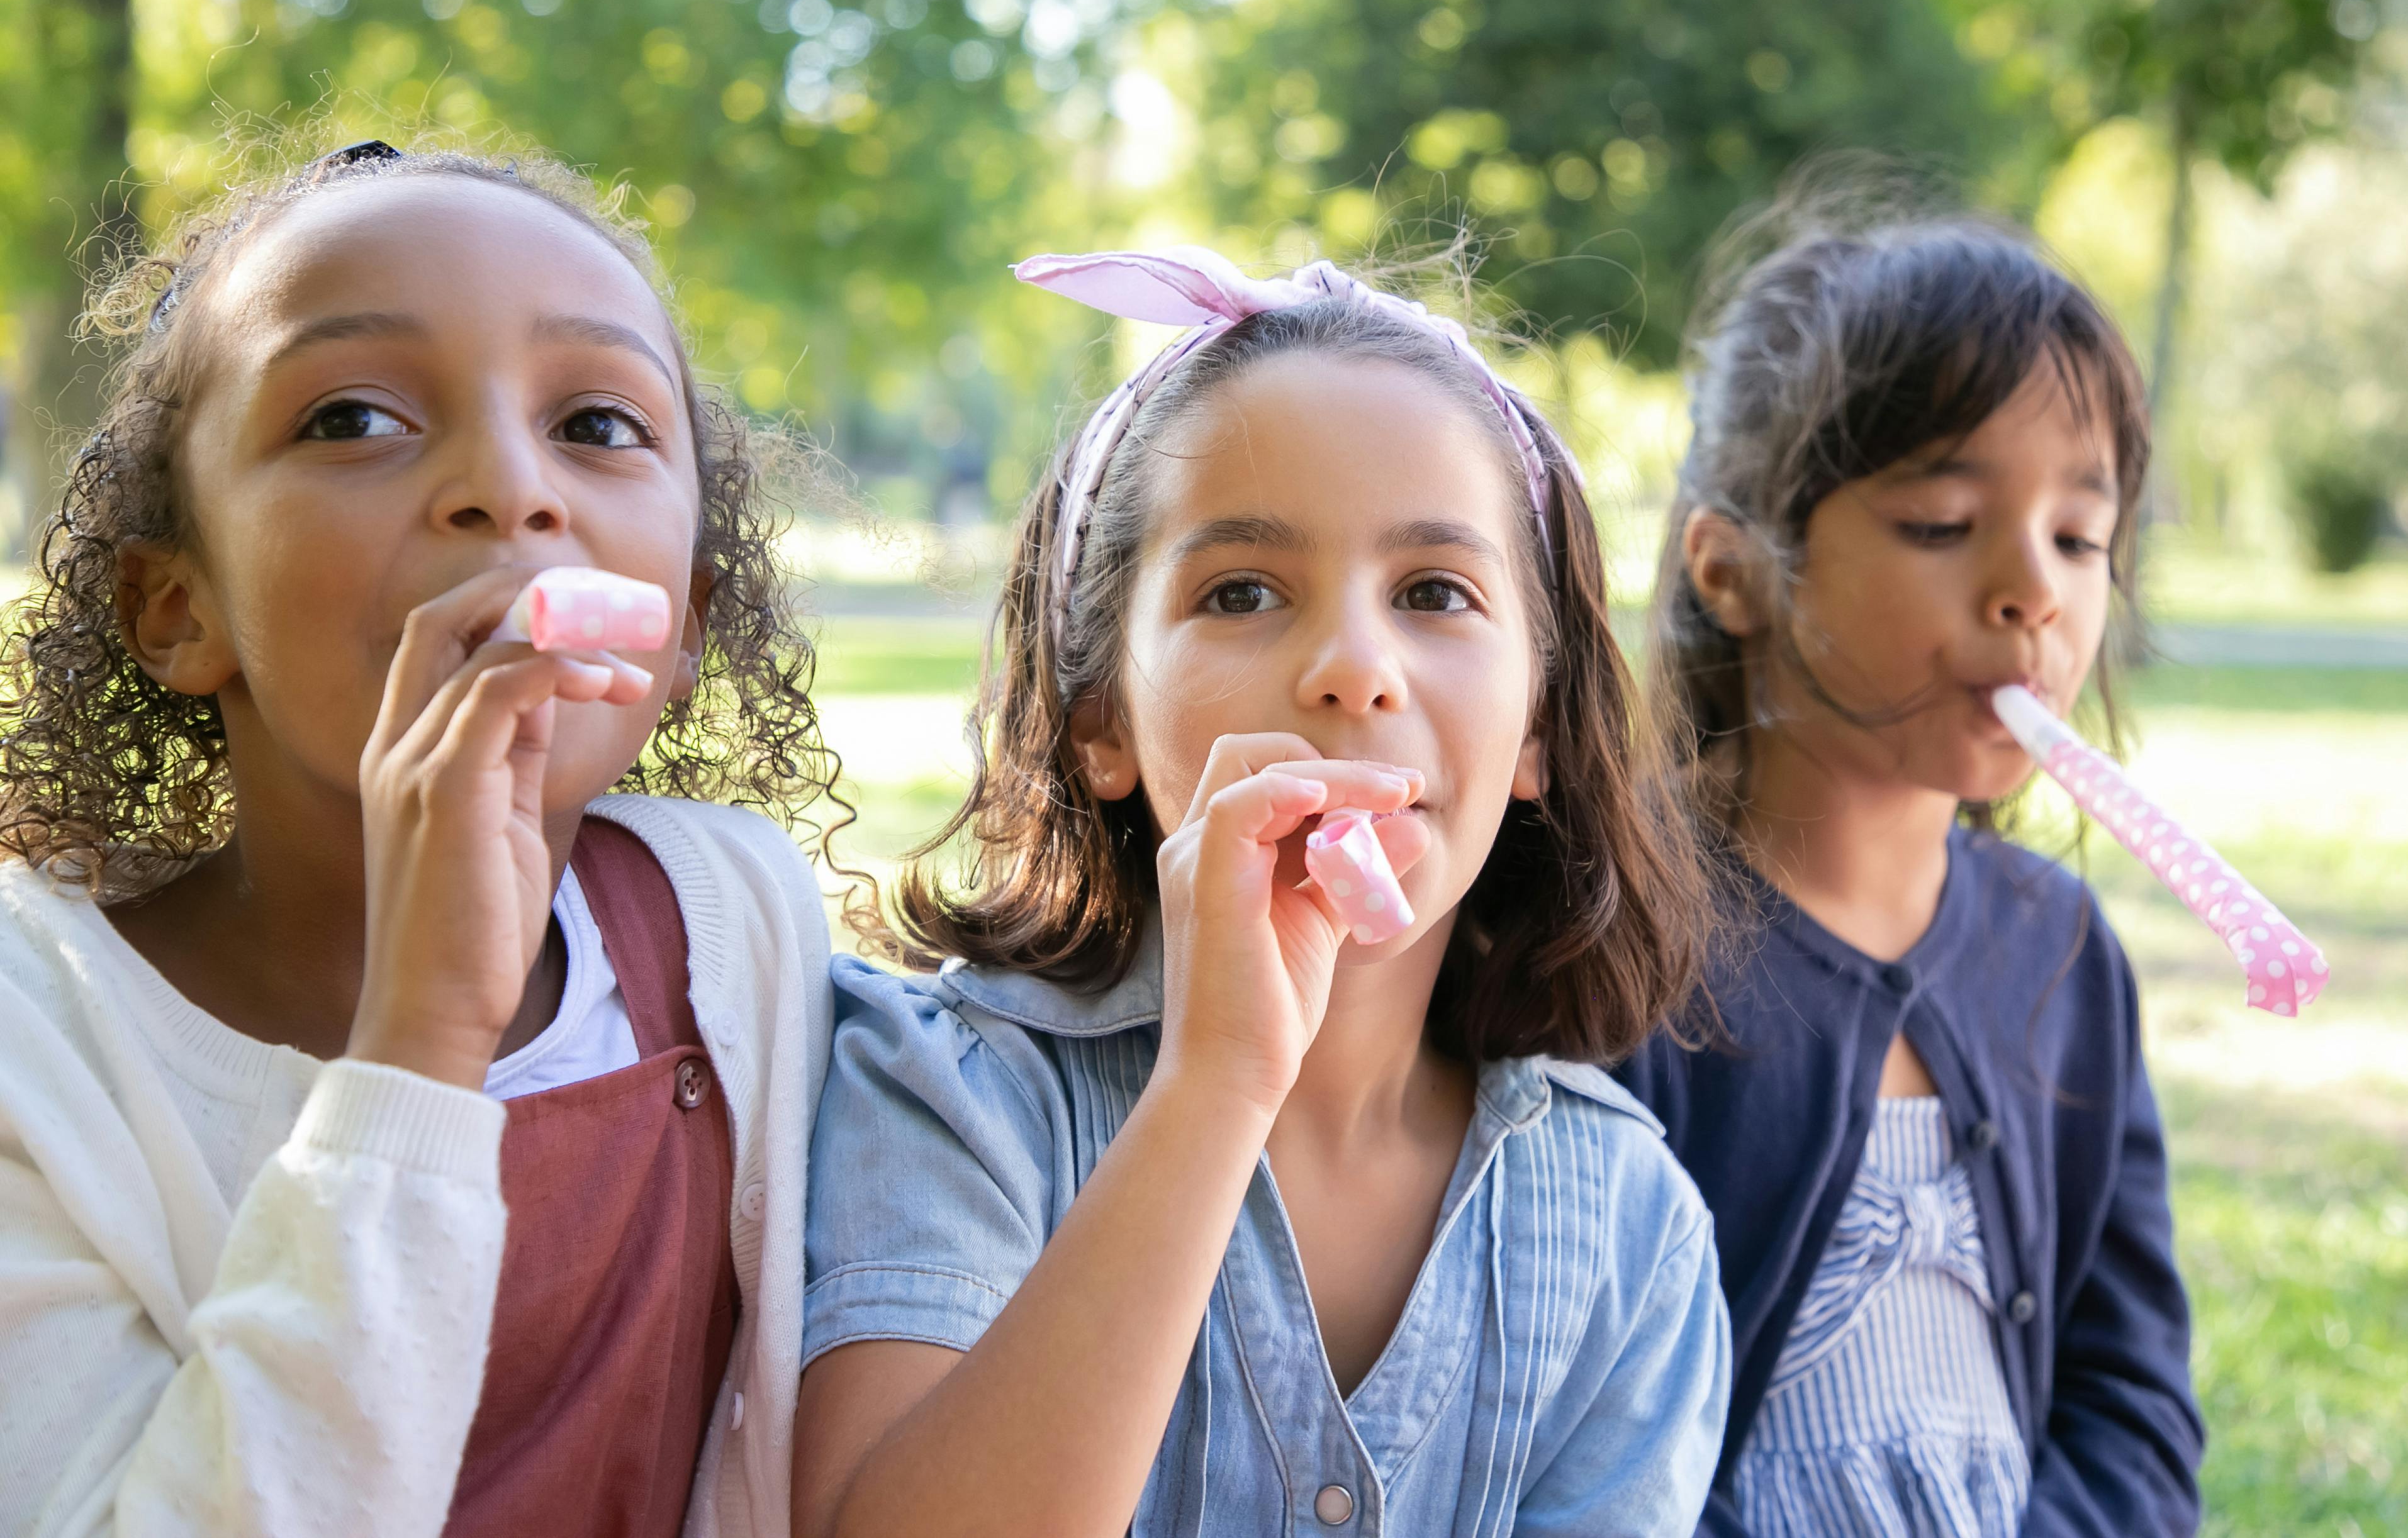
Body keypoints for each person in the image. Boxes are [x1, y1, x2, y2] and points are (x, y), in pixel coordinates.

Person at [793, 245, 1731, 1538]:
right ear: (1098, 717)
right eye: (1241, 593)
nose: (1354, 665)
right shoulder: (947, 1098)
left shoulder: (1630, 1230)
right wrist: (1216, 1085)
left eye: (1435, 593)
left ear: (1538, 726)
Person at [0, 134, 836, 1535]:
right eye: (353, 418)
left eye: (598, 425)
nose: (509, 486)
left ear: (684, 625)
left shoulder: (735, 920)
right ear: (177, 609)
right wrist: (422, 1036)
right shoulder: (38, 1053)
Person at [1617, 179, 2205, 1537]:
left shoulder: (2064, 953)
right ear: (1733, 570)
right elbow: (1581, 1432)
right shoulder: (1617, 947)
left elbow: (2132, 1398)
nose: (2035, 590)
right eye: (1943, 522)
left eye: (2080, 536)